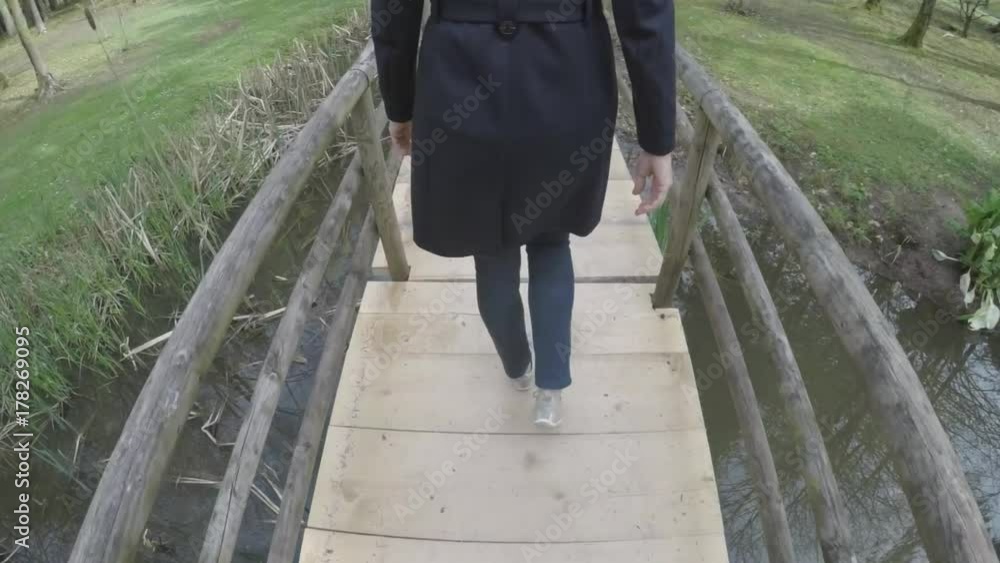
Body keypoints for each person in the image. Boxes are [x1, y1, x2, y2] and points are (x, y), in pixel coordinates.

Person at [372, 0, 675, 428]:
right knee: (551, 238)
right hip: (569, 79)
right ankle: (550, 389)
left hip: (460, 79)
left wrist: (399, 105)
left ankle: (517, 368)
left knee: (490, 246)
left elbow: (393, 12)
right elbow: (646, 17)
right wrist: (657, 139)